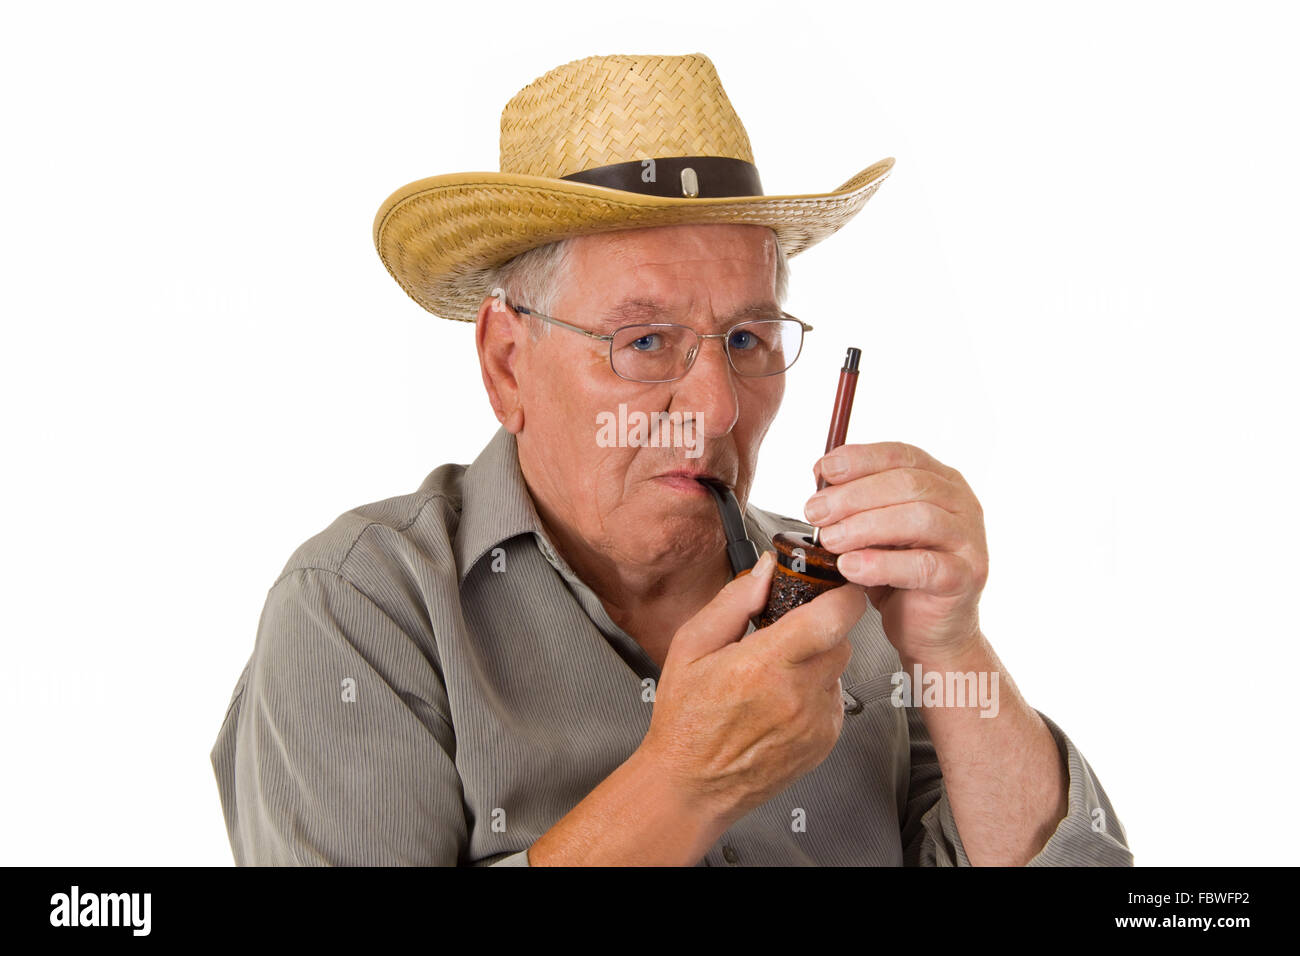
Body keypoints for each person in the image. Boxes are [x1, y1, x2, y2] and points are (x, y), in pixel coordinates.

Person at [210, 52, 1132, 866]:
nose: (720, 408)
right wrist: (684, 785)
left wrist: (950, 648)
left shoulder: (855, 610)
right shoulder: (362, 611)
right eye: (646, 342)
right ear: (507, 364)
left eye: (748, 337)